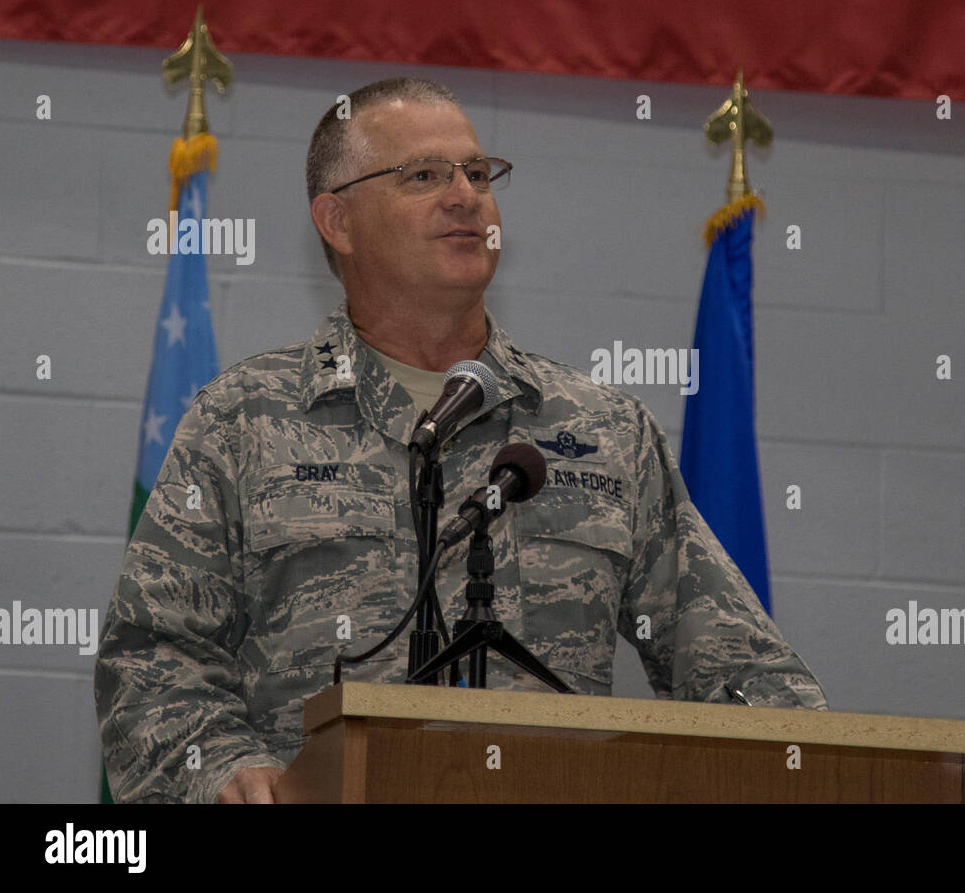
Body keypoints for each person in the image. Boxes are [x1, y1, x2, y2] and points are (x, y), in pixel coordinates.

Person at [95, 78, 828, 804]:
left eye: (478, 173)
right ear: (337, 220)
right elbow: (153, 663)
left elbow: (745, 671)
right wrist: (226, 769)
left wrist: (819, 764)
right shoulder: (243, 421)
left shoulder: (601, 432)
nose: (465, 195)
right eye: (424, 175)